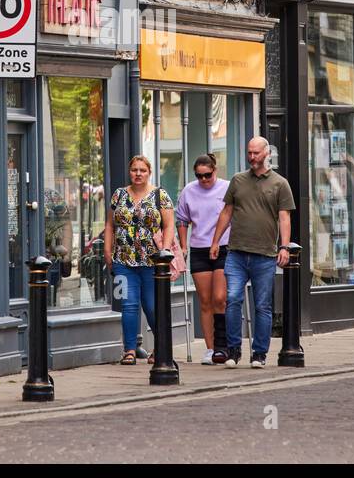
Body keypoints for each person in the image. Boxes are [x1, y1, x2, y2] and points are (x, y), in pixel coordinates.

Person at [211, 136, 295, 368]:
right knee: (233, 299)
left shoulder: (280, 183)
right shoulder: (238, 180)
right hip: (236, 253)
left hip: (265, 255)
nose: (252, 157)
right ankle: (233, 349)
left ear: (267, 154)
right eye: (249, 152)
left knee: (262, 306)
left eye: (256, 153)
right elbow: (227, 212)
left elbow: (284, 217)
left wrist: (284, 247)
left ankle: (259, 353)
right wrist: (216, 241)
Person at [103, 154, 175, 365]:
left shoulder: (160, 195)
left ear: (149, 173)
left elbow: (169, 225)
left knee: (153, 306)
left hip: (152, 262)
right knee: (129, 305)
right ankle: (130, 350)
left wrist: (166, 250)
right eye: (135, 170)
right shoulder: (118, 195)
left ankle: (161, 347)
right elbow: (110, 225)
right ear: (130, 171)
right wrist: (108, 252)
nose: (138, 174)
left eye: (142, 170)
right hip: (123, 261)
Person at [176, 154, 230, 365]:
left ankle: (223, 344)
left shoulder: (226, 188)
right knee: (205, 301)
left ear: (215, 171)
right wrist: (182, 245)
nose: (204, 180)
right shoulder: (189, 191)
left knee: (219, 298)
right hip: (199, 248)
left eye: (207, 175)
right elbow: (182, 220)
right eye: (199, 176)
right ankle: (210, 349)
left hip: (224, 247)